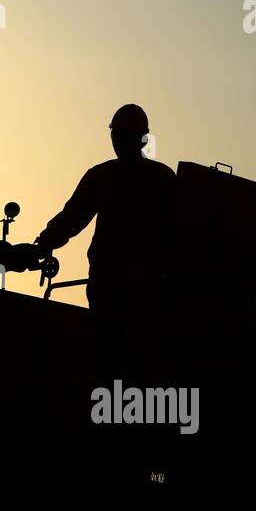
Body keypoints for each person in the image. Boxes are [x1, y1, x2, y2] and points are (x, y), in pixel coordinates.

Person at [36, 104, 176, 351]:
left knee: (119, 355)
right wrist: (44, 242)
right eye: (117, 134)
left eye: (123, 134)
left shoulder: (115, 177)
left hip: (134, 287)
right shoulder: (156, 177)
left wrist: (44, 242)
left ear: (140, 139)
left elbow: (72, 219)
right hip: (127, 287)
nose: (119, 140)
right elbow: (72, 218)